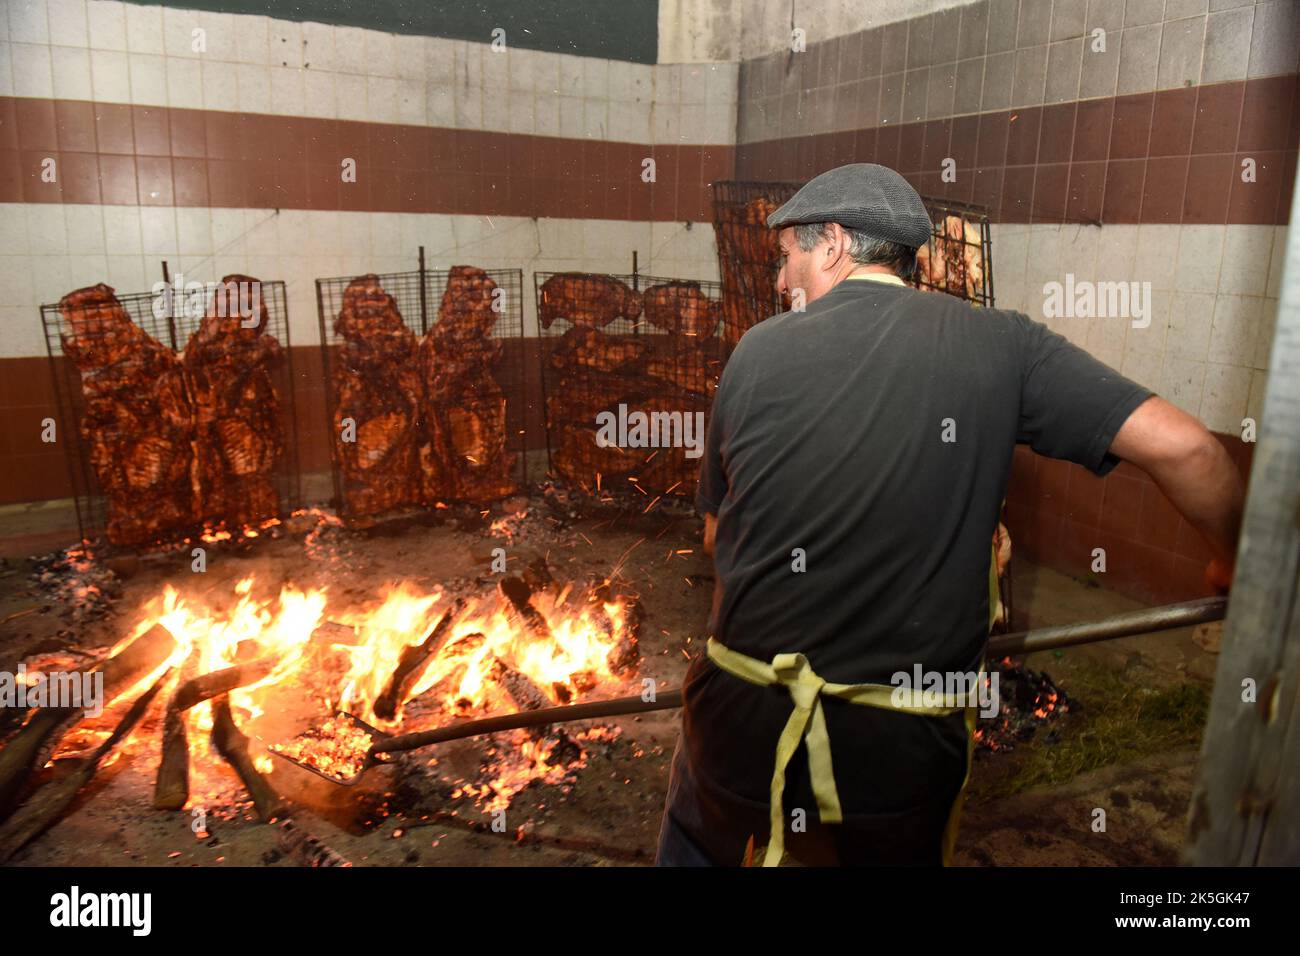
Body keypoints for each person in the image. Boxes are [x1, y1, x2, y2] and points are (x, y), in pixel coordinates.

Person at [655, 163, 1244, 866]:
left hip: (739, 727)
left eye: (789, 258)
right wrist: (1234, 563)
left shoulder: (753, 352)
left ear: (835, 243)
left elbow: (723, 539)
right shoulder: (1003, 344)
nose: (782, 283)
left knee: (698, 840)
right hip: (898, 750)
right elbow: (1192, 451)